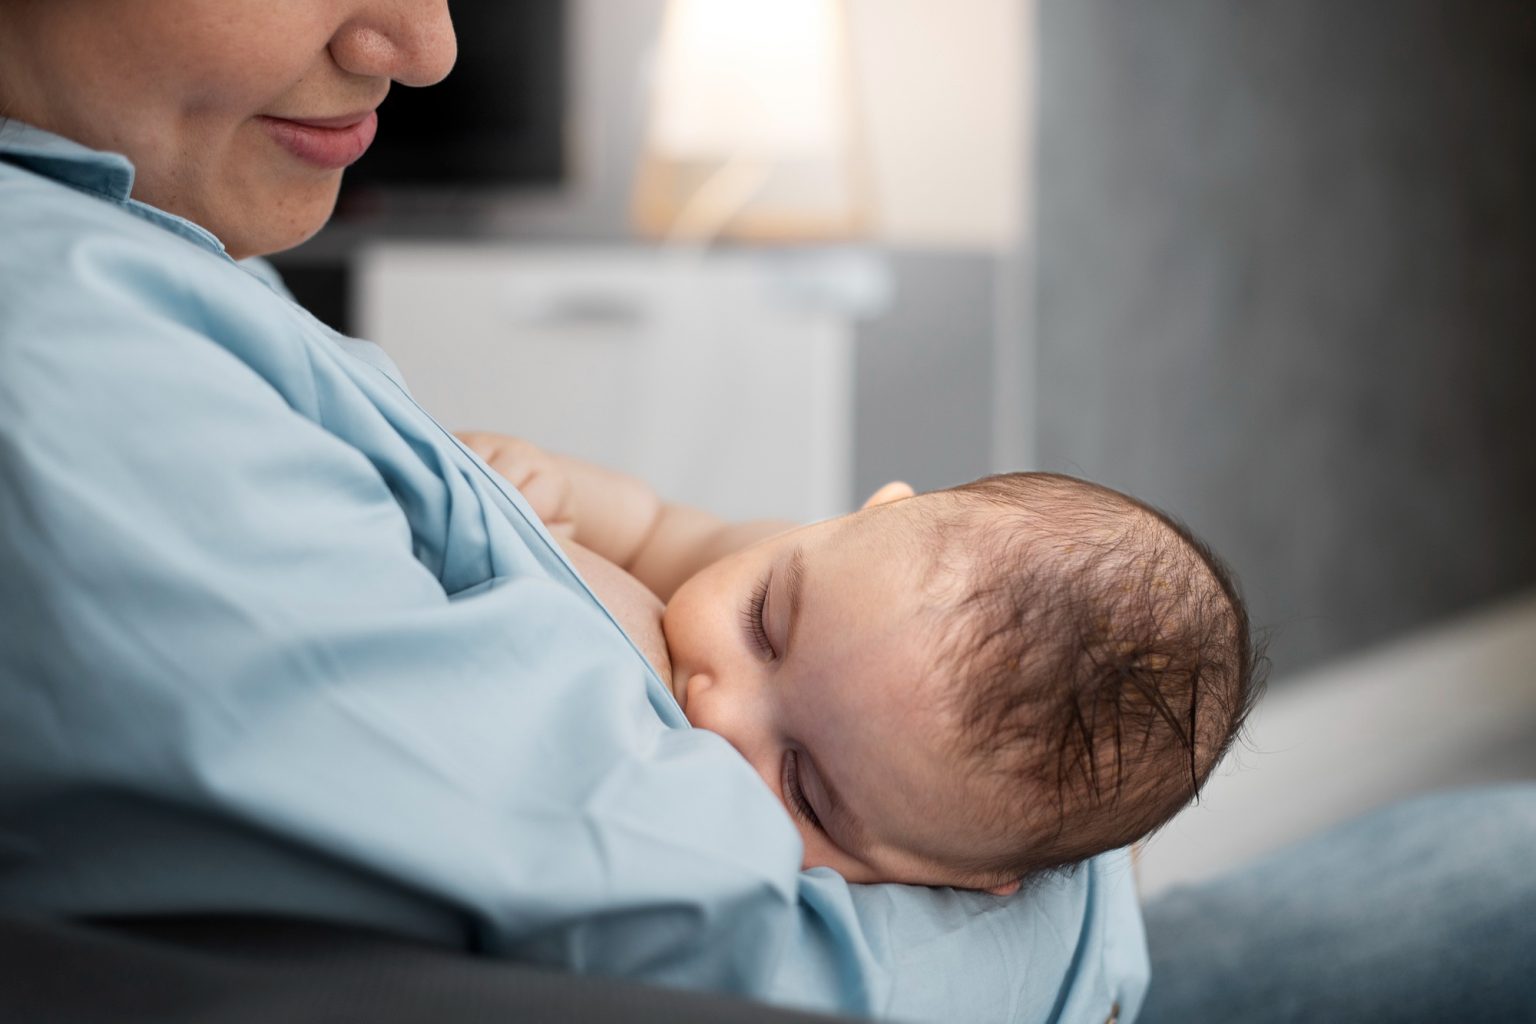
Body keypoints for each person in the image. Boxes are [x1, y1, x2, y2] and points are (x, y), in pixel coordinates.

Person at [0, 4, 1144, 1023]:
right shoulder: (64, 345)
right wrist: (1071, 885)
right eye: (763, 625)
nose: (429, 47)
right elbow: (740, 960)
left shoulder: (160, 233)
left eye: (806, 784)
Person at [457, 433, 1260, 896]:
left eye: (806, 791)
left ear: (957, 881)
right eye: (761, 626)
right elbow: (648, 527)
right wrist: (554, 491)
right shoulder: (766, 555)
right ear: (871, 515)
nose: (717, 710)